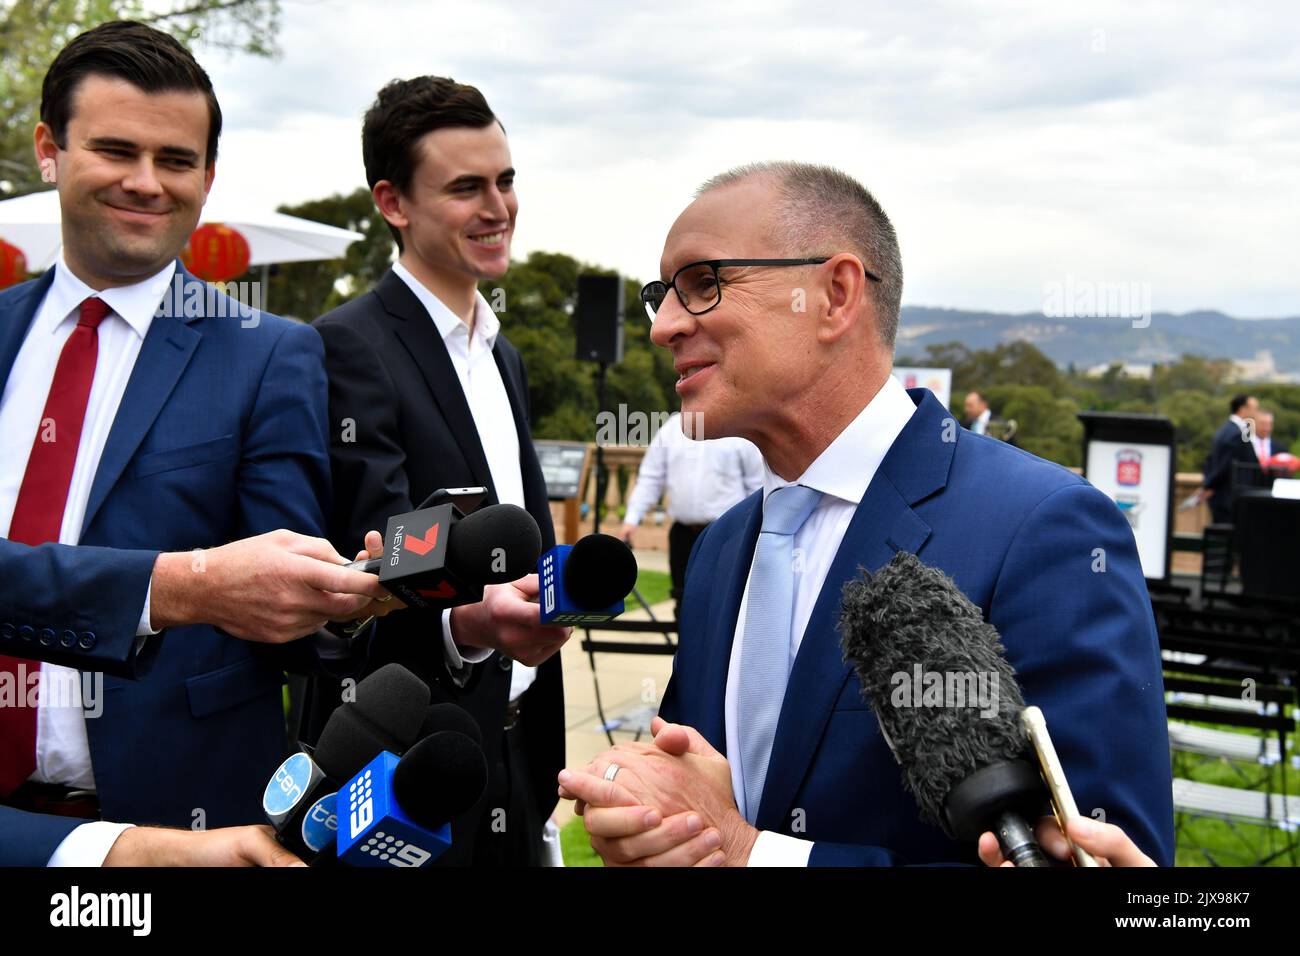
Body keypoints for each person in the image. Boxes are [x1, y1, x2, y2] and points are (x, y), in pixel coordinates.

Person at [558, 161, 1174, 867]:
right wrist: (653, 820)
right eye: (659, 296)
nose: (663, 326)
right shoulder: (723, 548)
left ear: (836, 294)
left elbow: (1109, 859)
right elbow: (699, 799)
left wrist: (753, 855)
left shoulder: (1044, 530)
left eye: (703, 284)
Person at [0, 20, 389, 865]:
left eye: (176, 161)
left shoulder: (267, 353)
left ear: (209, 177)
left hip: (181, 826)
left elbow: (286, 620)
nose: (147, 183)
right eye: (115, 150)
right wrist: (184, 582)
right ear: (48, 150)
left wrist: (379, 597)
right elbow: (203, 585)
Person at [305, 76, 571, 866]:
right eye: (465, 188)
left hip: (520, 748)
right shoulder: (346, 345)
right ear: (393, 203)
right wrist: (471, 625)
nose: (498, 208)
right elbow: (372, 564)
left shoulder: (504, 353)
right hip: (411, 757)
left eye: (505, 180)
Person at [621, 411, 763, 617]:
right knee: (683, 602)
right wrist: (631, 520)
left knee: (725, 603)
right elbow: (651, 478)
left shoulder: (738, 429)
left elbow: (757, 485)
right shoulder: (670, 429)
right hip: (683, 535)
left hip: (728, 535)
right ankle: (686, 649)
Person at [1199, 394, 1260, 523]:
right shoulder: (1235, 434)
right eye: (1255, 408)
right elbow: (1225, 466)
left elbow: (1210, 461)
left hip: (1225, 499)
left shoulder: (1227, 430)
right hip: (1229, 501)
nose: (1257, 412)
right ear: (1242, 409)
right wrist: (1208, 486)